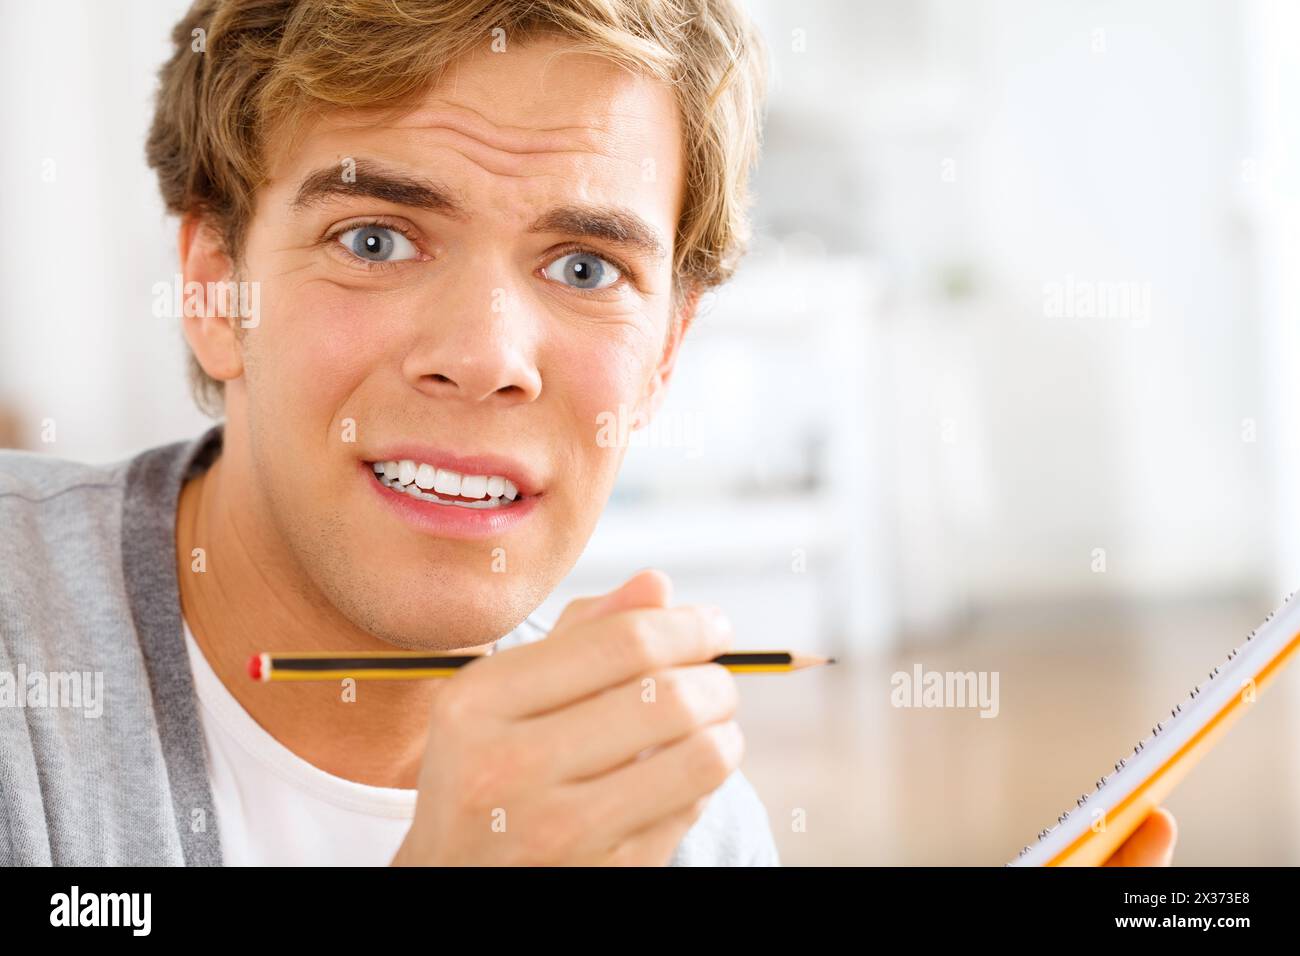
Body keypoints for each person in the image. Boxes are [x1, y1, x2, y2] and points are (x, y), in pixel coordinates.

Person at [0, 0, 1174, 867]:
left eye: (582, 265)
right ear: (213, 286)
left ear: (665, 350)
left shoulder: (686, 828)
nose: (489, 355)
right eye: (374, 239)